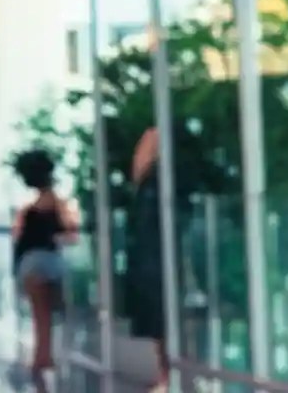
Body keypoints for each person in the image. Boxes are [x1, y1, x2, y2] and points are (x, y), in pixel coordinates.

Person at [10, 150, 78, 391]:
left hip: (31, 264)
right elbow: (72, 233)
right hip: (53, 262)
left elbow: (17, 238)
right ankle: (46, 358)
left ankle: (41, 359)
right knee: (54, 314)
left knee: (41, 316)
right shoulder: (60, 204)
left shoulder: (28, 209)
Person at [125, 127, 169, 391]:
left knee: (162, 318)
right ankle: (167, 374)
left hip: (157, 258)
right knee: (160, 318)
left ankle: (168, 375)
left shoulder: (153, 187)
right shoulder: (151, 187)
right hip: (155, 258)